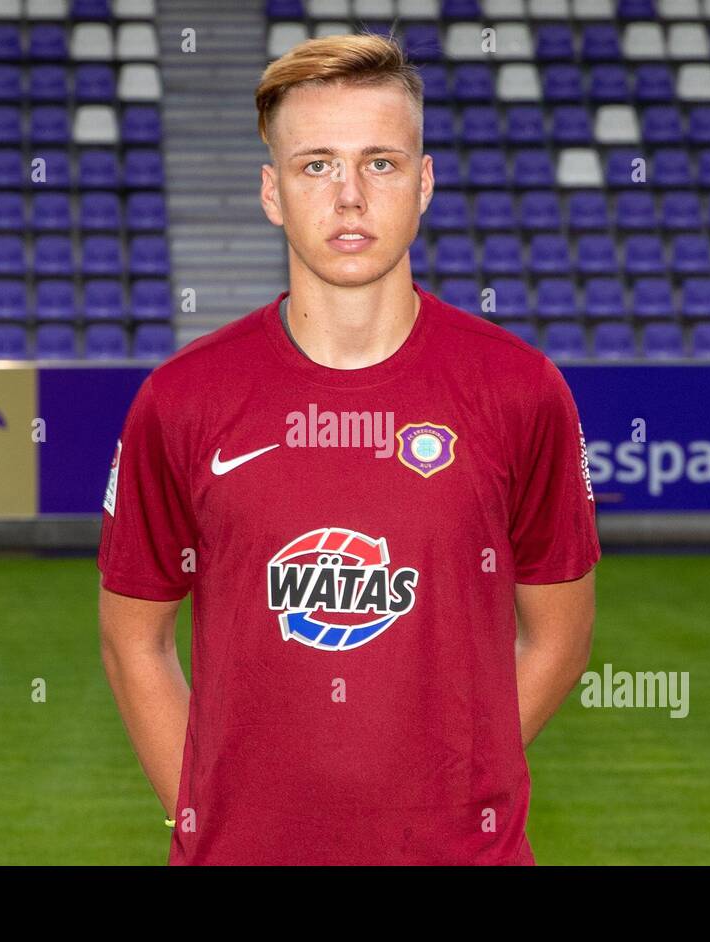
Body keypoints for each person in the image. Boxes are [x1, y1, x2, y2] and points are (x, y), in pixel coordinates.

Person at [98, 31, 600, 865]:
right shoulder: (182, 400)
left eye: (381, 162)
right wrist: (207, 814)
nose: (351, 197)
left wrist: (452, 780)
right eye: (317, 165)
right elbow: (132, 640)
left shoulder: (520, 390)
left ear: (425, 182)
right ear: (272, 193)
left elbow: (558, 636)